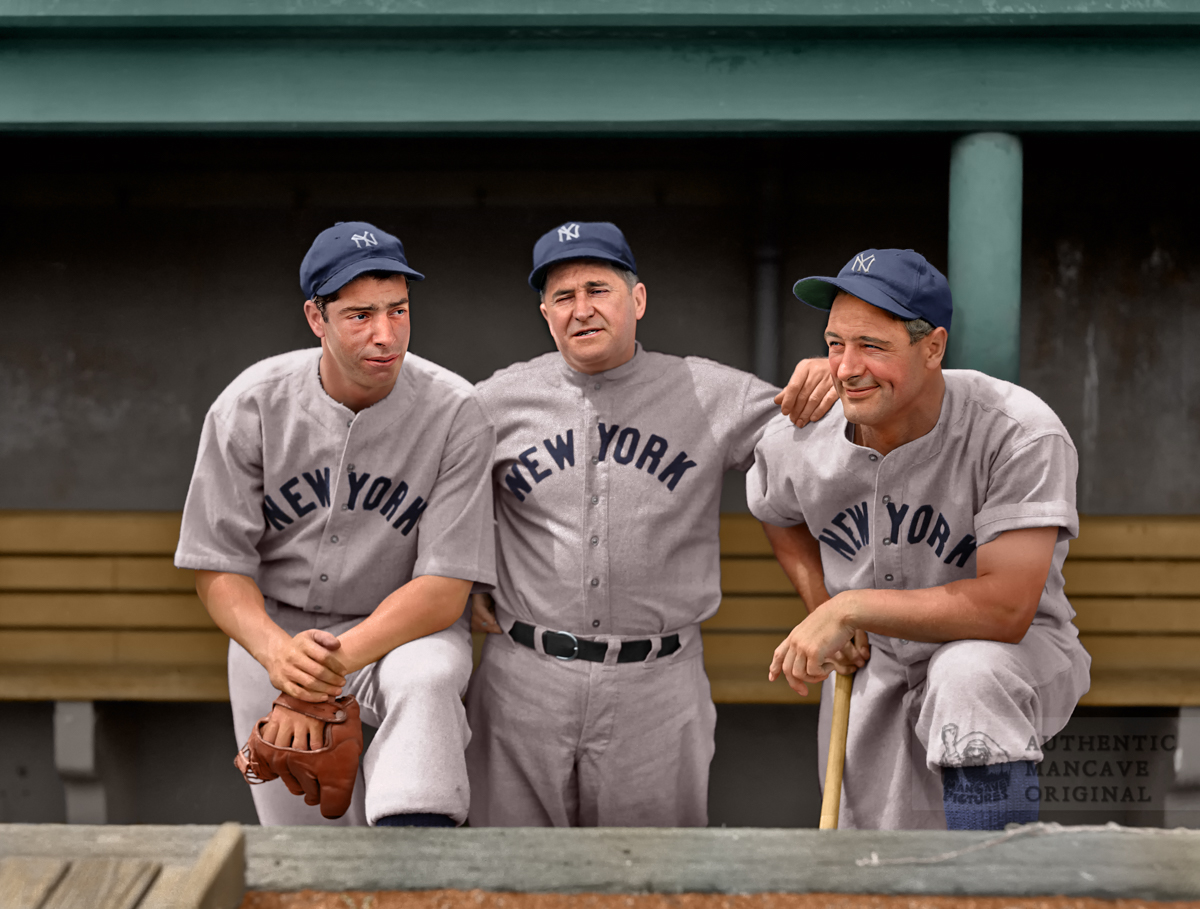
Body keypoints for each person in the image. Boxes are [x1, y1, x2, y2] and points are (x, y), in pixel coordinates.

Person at [464, 221, 835, 827]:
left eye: (597, 289)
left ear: (637, 300)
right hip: (524, 677)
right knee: (512, 876)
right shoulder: (496, 400)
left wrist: (833, 377)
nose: (580, 309)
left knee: (653, 879)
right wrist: (462, 587)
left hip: (657, 685)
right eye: (562, 297)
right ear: (545, 313)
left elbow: (824, 447)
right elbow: (434, 493)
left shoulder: (709, 391)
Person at [746, 247, 1091, 830]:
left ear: (932, 347)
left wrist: (846, 605)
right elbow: (776, 510)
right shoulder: (799, 438)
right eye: (835, 344)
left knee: (969, 675)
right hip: (876, 662)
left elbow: (1007, 609)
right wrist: (822, 609)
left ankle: (994, 887)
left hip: (1012, 652)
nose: (846, 368)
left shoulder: (1018, 431)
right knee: (874, 861)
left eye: (872, 346)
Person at [175, 221, 496, 827]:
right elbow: (218, 565)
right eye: (359, 315)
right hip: (275, 637)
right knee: (297, 854)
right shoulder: (251, 403)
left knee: (427, 679)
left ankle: (417, 871)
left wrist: (314, 681)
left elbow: (444, 589)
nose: (385, 334)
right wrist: (280, 659)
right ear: (315, 318)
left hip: (402, 631)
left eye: (398, 310)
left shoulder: (457, 411)